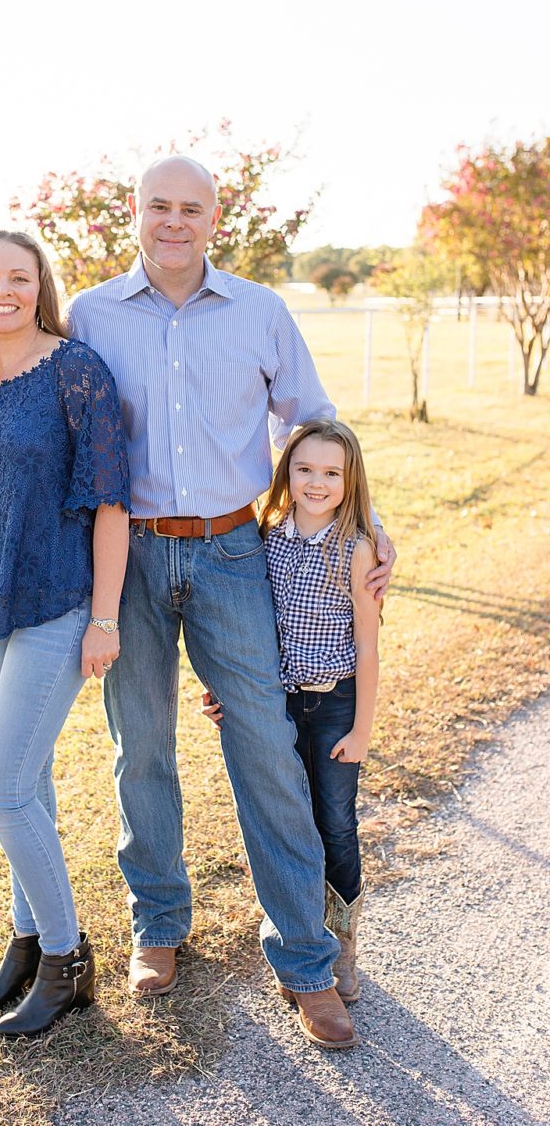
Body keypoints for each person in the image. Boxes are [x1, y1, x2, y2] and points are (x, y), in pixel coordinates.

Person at [66, 155, 396, 1049]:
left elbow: (315, 422)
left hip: (233, 547)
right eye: (159, 206)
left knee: (266, 746)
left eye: (192, 208)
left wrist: (367, 525)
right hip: (126, 554)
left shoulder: (260, 311)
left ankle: (304, 957)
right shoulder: (92, 313)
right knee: (141, 745)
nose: (175, 221)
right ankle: (159, 922)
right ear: (134, 214)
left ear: (216, 217)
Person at [0, 230, 131, 1037]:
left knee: (1, 786)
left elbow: (110, 500)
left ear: (39, 285)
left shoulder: (76, 370)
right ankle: (23, 947)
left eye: (19, 276)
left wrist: (106, 616)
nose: (2, 290)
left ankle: (67, 958)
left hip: (60, 604)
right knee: (32, 785)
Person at [201, 419, 380, 1008]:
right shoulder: (267, 535)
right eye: (304, 469)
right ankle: (300, 936)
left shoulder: (356, 549)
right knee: (287, 814)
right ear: (286, 473)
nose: (317, 482)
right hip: (277, 700)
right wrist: (231, 690)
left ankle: (342, 945)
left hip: (335, 704)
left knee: (334, 822)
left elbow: (369, 645)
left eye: (331, 472)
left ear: (349, 480)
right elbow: (243, 626)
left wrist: (361, 729)